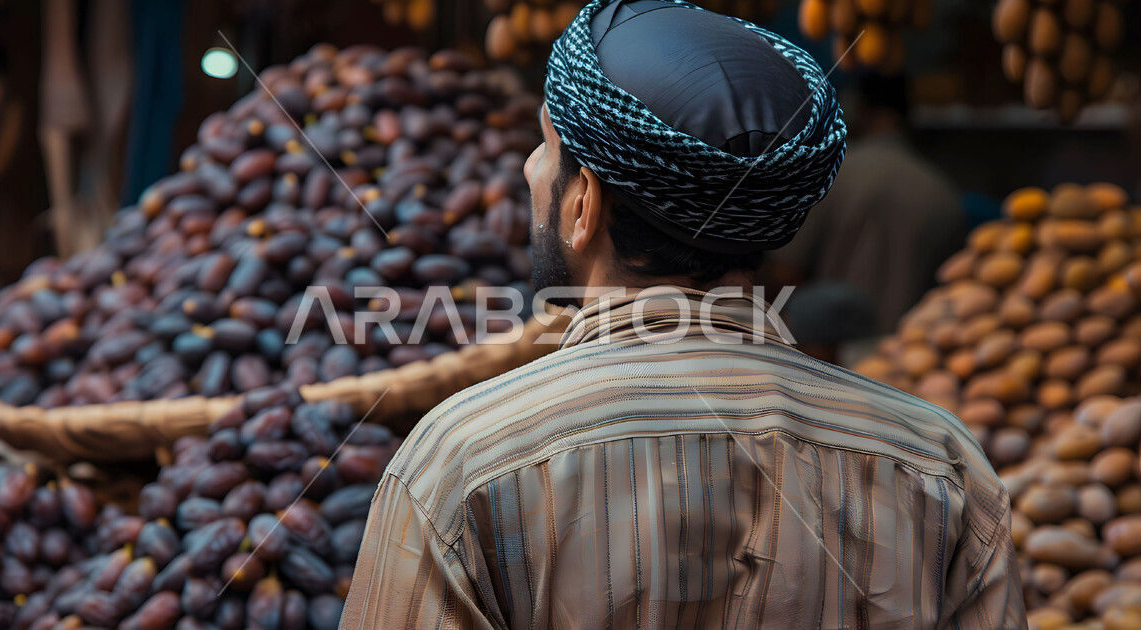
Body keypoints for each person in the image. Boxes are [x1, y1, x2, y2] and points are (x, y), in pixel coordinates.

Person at [340, 1, 1023, 627]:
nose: (528, 170)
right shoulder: (941, 464)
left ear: (584, 206)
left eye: (548, 149)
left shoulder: (462, 463)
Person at [766, 72, 967, 336]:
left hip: (821, 358)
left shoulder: (828, 175)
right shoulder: (944, 195)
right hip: (902, 362)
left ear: (861, 110)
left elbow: (784, 275)